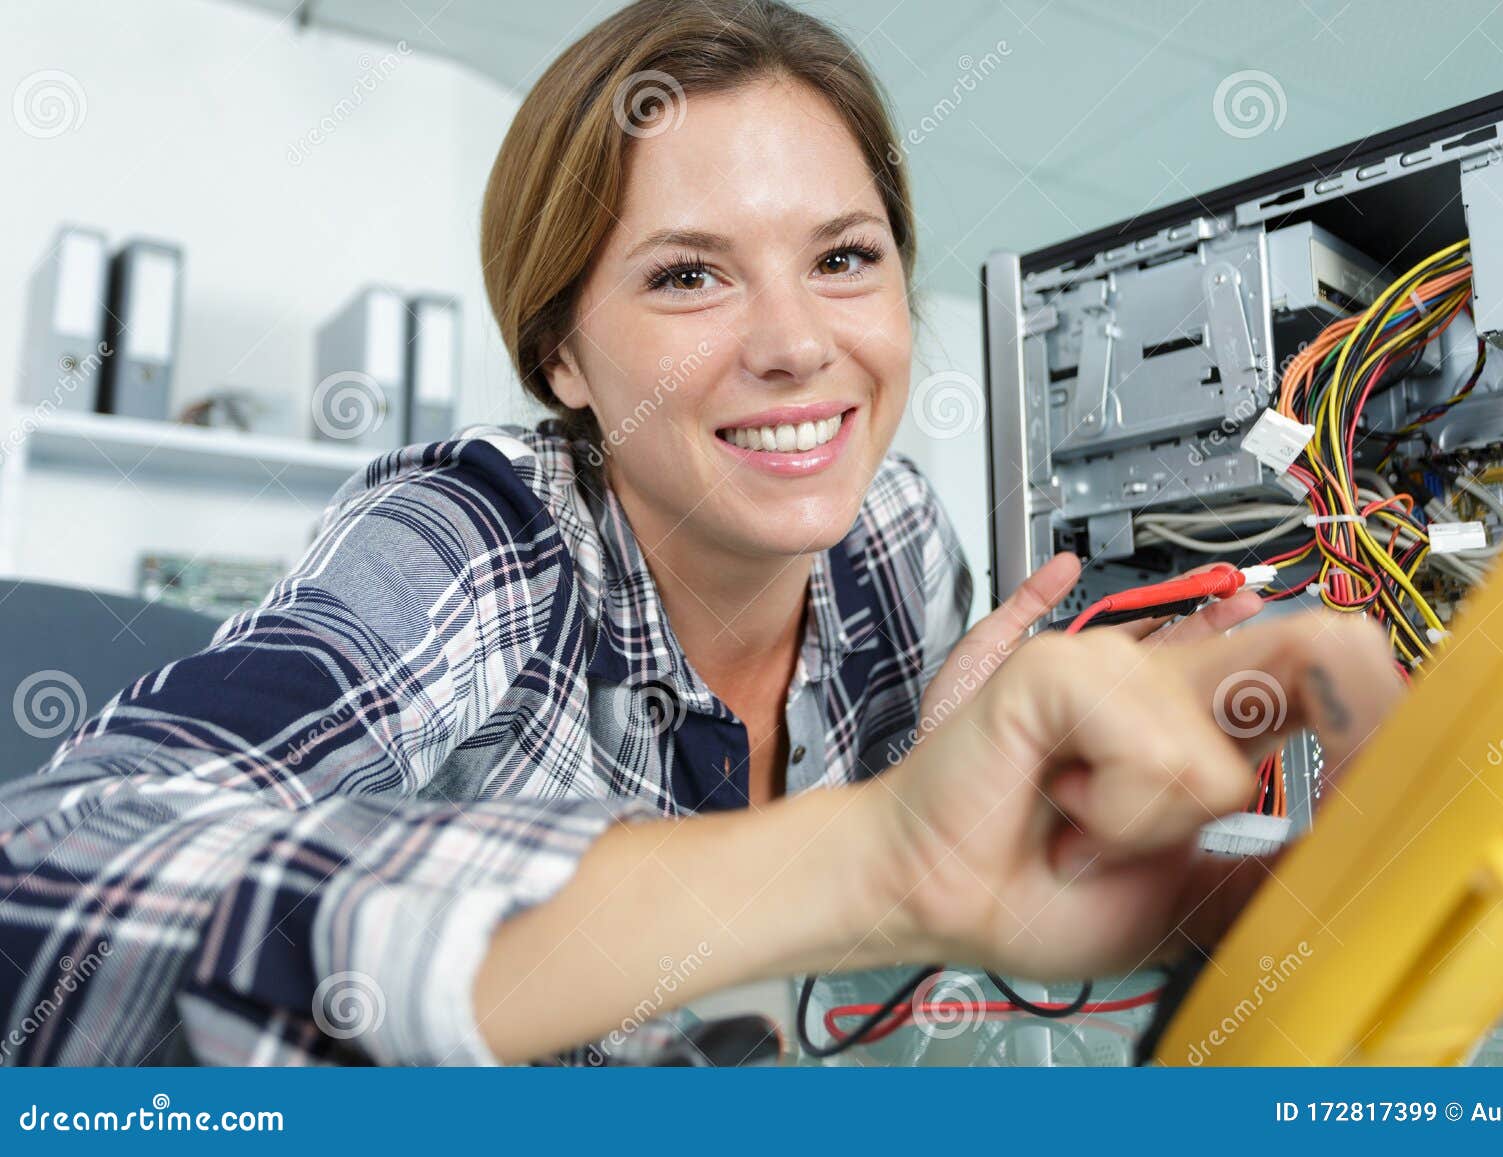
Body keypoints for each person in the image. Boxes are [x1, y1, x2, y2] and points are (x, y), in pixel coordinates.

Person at [0, 0, 1401, 1066]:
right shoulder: (472, 534)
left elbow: (874, 969)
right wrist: (874, 849)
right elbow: (46, 886)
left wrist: (1159, 869)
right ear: (561, 356)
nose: (798, 346)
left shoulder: (898, 530)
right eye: (688, 276)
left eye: (845, 258)